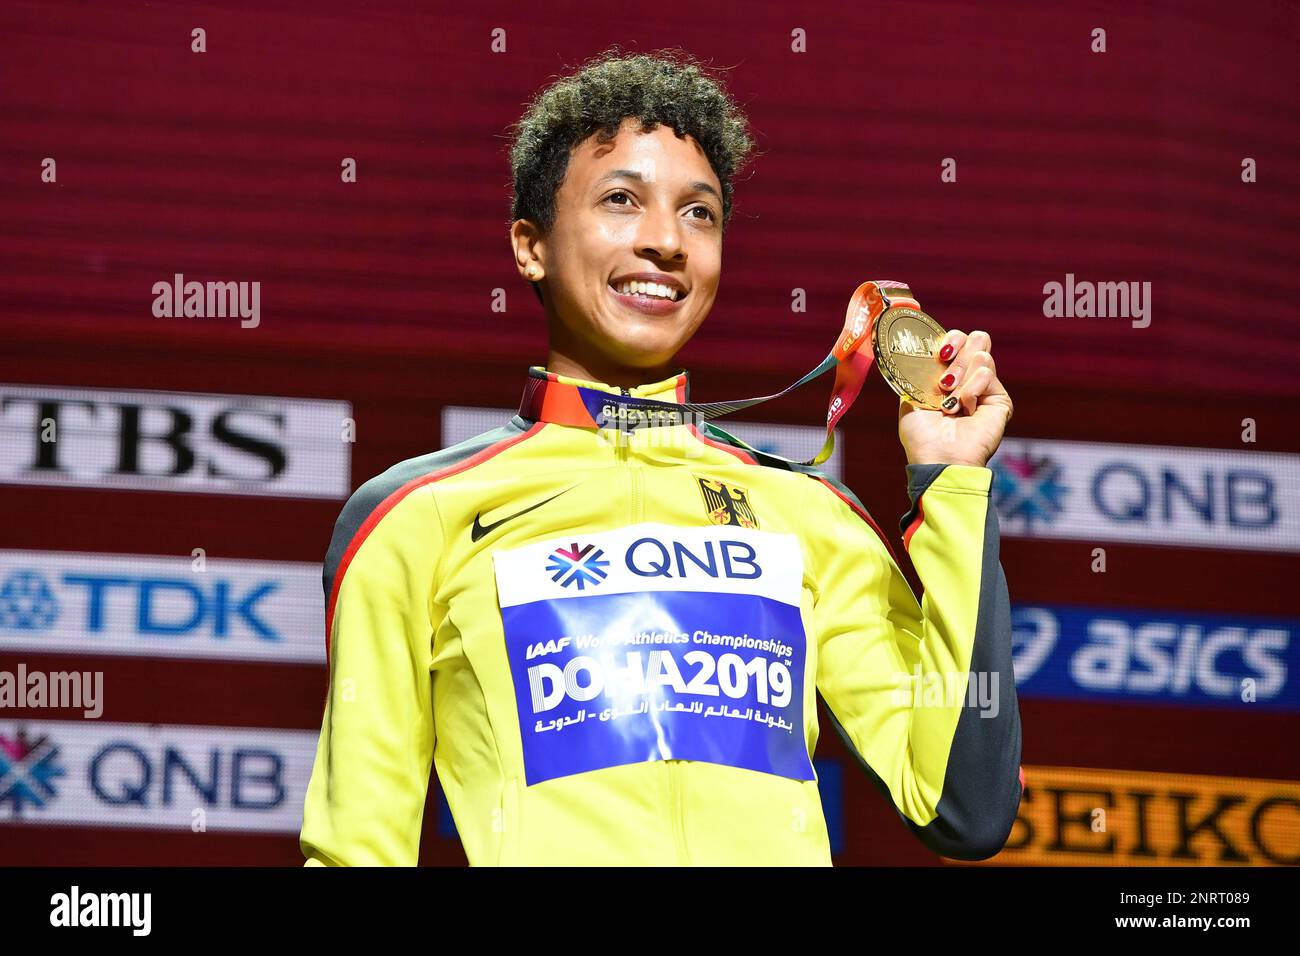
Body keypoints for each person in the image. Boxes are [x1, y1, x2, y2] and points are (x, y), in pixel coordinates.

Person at [299, 48, 1022, 866]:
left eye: (699, 214)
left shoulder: (806, 514)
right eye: (620, 200)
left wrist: (954, 483)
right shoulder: (412, 517)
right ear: (529, 247)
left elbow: (966, 804)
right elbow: (357, 850)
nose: (666, 242)